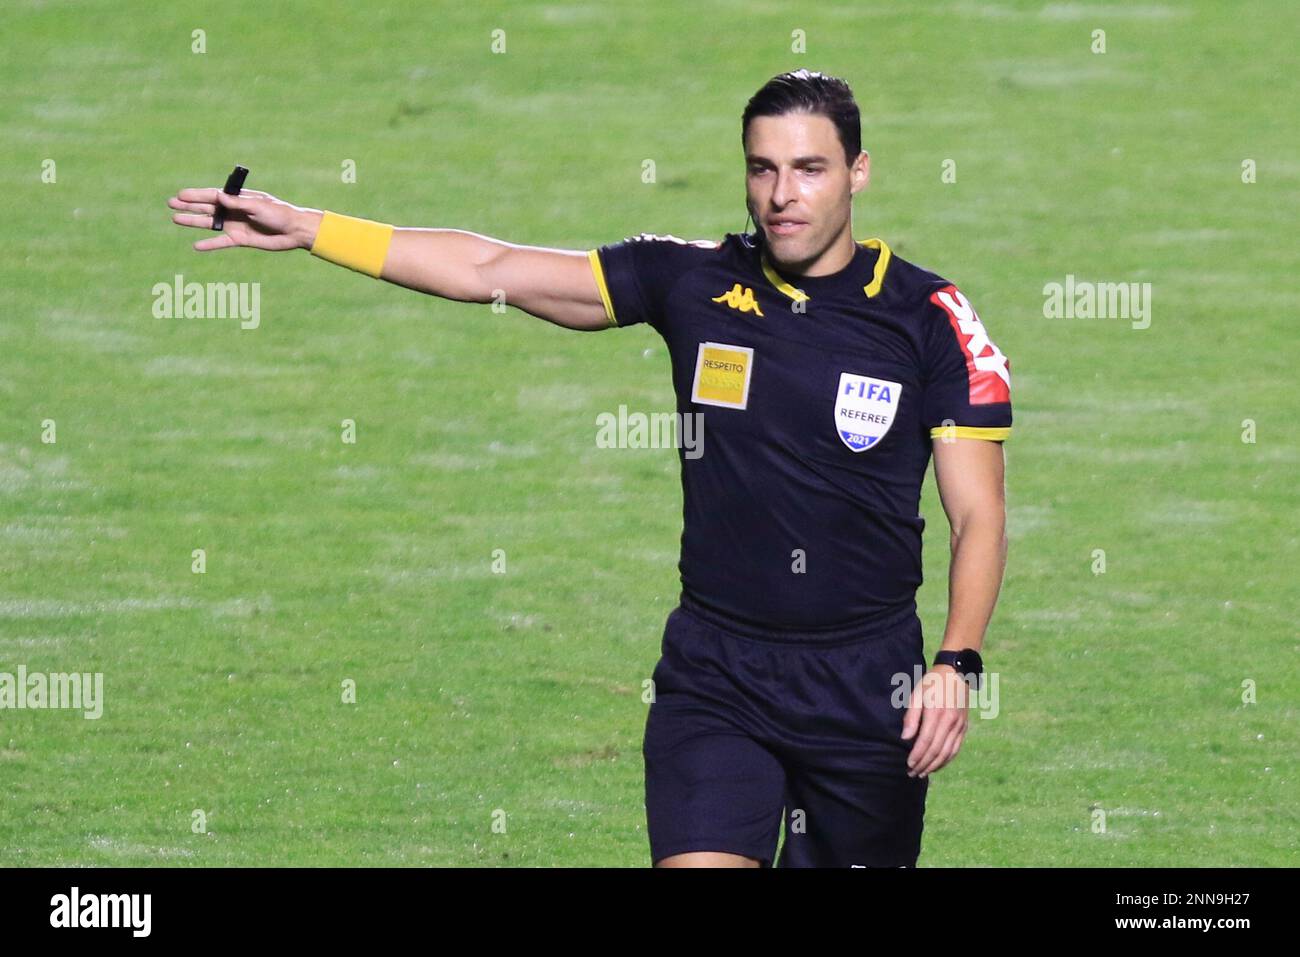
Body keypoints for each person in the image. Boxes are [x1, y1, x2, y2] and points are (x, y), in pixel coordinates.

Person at [167, 68, 1011, 868]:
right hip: (716, 675)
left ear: (858, 172)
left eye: (809, 169)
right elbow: (489, 268)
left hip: (865, 685)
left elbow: (977, 515)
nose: (782, 195)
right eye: (762, 169)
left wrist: (956, 661)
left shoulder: (928, 319)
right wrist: (314, 228)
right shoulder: (691, 282)